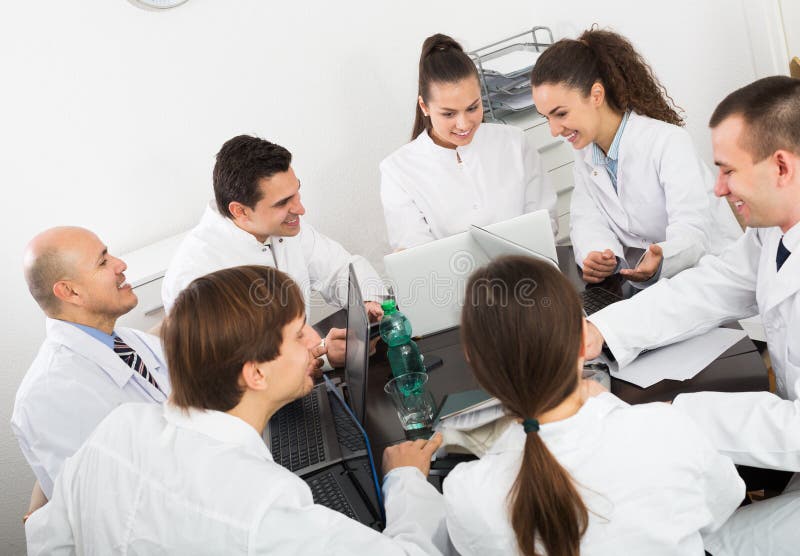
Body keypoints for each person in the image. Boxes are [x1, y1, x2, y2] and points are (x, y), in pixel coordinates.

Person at [26, 265, 448, 555]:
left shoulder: (118, 428)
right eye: (299, 334)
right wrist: (406, 479)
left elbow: (45, 540)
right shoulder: (261, 505)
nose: (312, 342)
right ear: (255, 375)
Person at [584, 75, 800, 555]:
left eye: (727, 171)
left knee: (708, 542)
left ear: (781, 166)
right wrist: (601, 328)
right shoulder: (772, 231)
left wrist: (677, 416)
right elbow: (710, 288)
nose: (718, 188)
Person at [443, 255, 743, 555]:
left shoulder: (468, 493)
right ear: (586, 340)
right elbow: (720, 505)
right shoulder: (667, 428)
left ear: (472, 358)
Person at [531, 28, 741, 286]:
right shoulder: (587, 154)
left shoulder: (668, 143)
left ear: (596, 95)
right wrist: (600, 254)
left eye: (560, 114)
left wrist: (661, 258)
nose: (554, 131)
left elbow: (692, 231)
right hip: (652, 287)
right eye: (546, 118)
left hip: (712, 277)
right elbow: (586, 220)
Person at [162, 135, 386, 367]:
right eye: (282, 203)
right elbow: (231, 372)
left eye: (297, 192)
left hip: (297, 380)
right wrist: (322, 355)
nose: (300, 209)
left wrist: (368, 303)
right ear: (240, 211)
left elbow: (340, 270)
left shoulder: (283, 229)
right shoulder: (195, 274)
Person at [12, 226, 170, 500]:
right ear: (70, 292)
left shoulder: (126, 340)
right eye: (103, 261)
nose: (121, 265)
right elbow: (109, 505)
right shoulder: (48, 394)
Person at [379, 33, 557, 251]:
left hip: (528, 273)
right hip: (455, 283)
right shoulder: (398, 171)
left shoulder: (514, 142)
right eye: (448, 114)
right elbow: (417, 254)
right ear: (424, 107)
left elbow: (545, 221)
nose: (463, 125)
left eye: (472, 108)